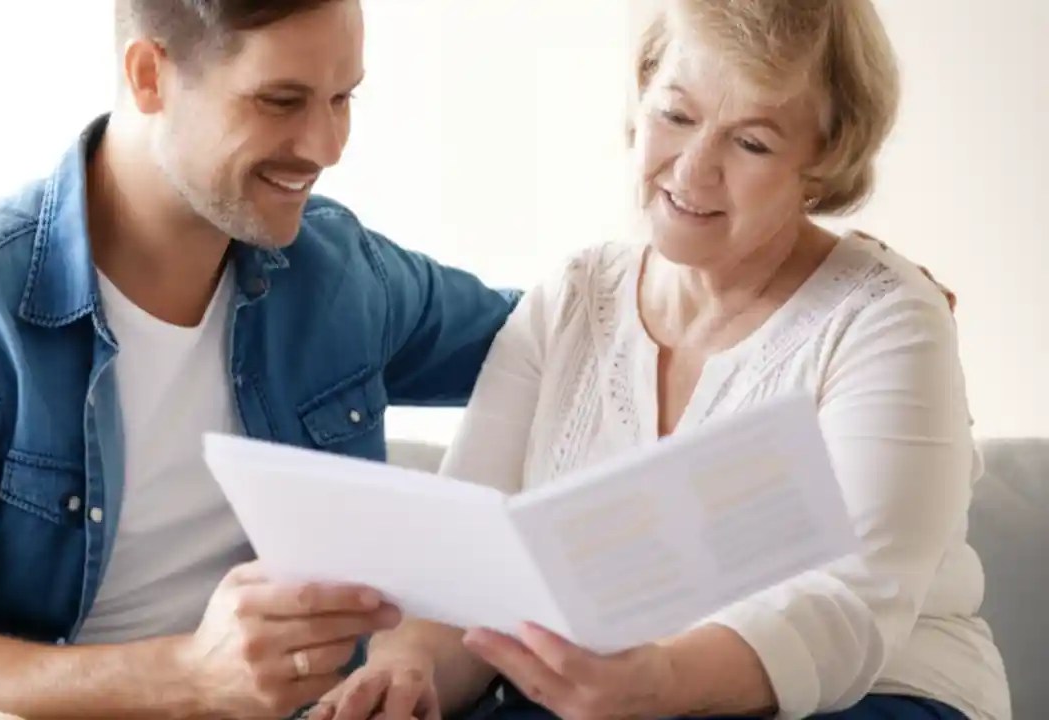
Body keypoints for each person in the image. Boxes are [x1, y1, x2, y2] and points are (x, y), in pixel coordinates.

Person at [0, 1, 519, 719]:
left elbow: (564, 337)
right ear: (150, 76)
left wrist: (413, 654)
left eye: (343, 99)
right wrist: (190, 676)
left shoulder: (337, 278)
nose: (326, 145)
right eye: (281, 101)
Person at [316, 1, 1010, 719]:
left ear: (824, 159)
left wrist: (657, 682)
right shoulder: (572, 298)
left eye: (752, 143)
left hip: (869, 696)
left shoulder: (886, 320)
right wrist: (407, 673)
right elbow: (461, 574)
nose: (694, 170)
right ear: (641, 95)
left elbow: (854, 605)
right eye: (676, 116)